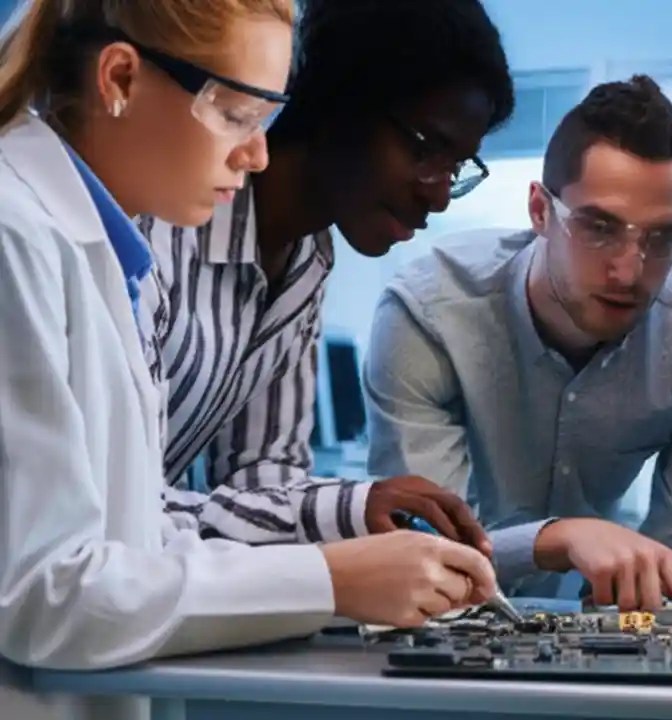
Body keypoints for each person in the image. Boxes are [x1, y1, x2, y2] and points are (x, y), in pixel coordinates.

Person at [0, 3, 495, 716]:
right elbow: (45, 592)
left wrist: (338, 566)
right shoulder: (19, 234)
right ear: (120, 79)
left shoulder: (102, 251)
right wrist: (328, 577)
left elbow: (141, 535)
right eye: (236, 115)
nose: (259, 154)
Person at [363, 75, 672, 611]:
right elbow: (426, 551)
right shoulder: (428, 313)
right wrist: (556, 538)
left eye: (663, 237)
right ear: (540, 211)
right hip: (438, 614)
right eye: (599, 227)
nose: (628, 271)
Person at [138, 0, 514, 550]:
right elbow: (117, 507)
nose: (438, 195)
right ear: (343, 101)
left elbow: (263, 478)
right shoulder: (162, 226)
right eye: (428, 149)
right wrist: (346, 509)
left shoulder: (308, 262)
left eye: (456, 167)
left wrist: (357, 521)